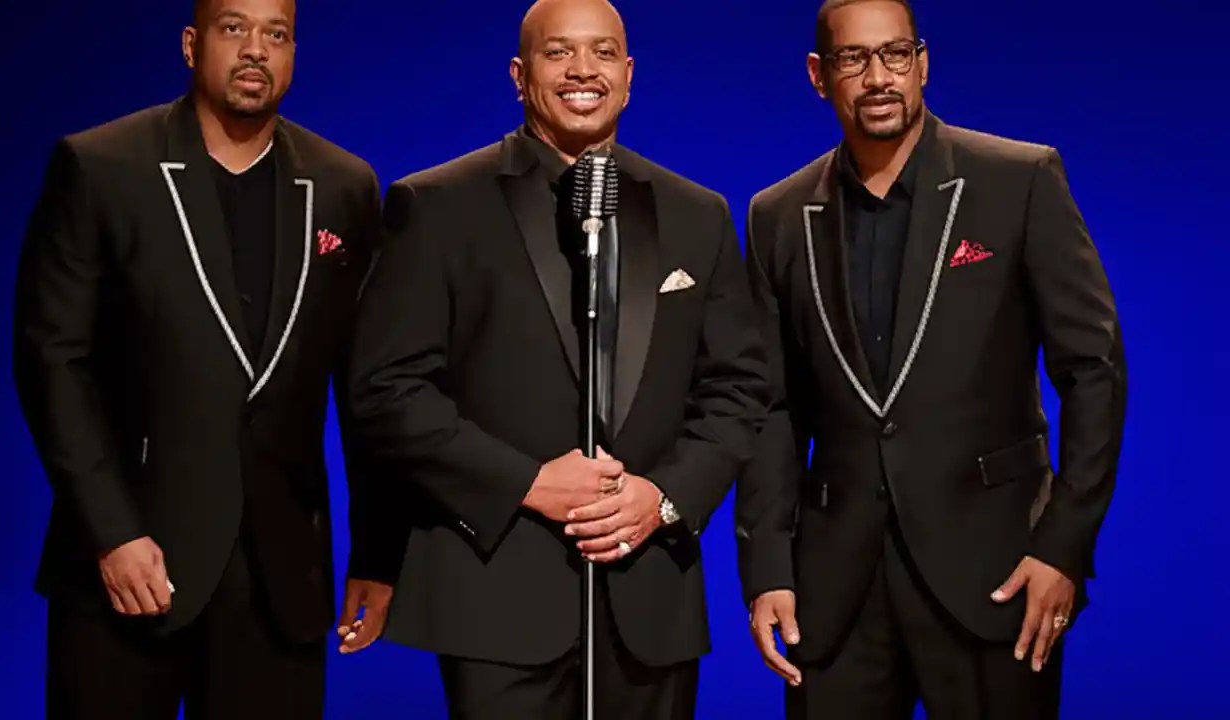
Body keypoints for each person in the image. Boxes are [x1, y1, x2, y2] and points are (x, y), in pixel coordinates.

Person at [342, 0, 769, 716]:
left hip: (648, 599)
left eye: (602, 52)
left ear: (629, 74)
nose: (582, 70)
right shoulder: (437, 205)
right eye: (558, 52)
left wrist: (662, 498)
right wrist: (528, 483)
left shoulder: (696, 213)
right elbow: (387, 390)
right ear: (519, 74)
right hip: (497, 599)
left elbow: (739, 386)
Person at [735, 0, 1127, 717]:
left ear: (922, 62)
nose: (878, 77)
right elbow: (770, 406)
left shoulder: (1018, 180)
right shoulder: (778, 215)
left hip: (998, 573)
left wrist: (1063, 547)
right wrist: (767, 568)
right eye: (854, 59)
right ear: (819, 75)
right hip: (836, 590)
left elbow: (1094, 369)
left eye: (895, 54)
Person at [12, 1, 402, 717]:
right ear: (192, 45)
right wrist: (113, 531)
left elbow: (365, 385)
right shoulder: (103, 167)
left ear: (293, 53)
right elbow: (52, 361)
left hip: (280, 578)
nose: (256, 49)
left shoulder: (344, 186)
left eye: (276, 34)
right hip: (130, 563)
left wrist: (377, 553)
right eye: (234, 28)